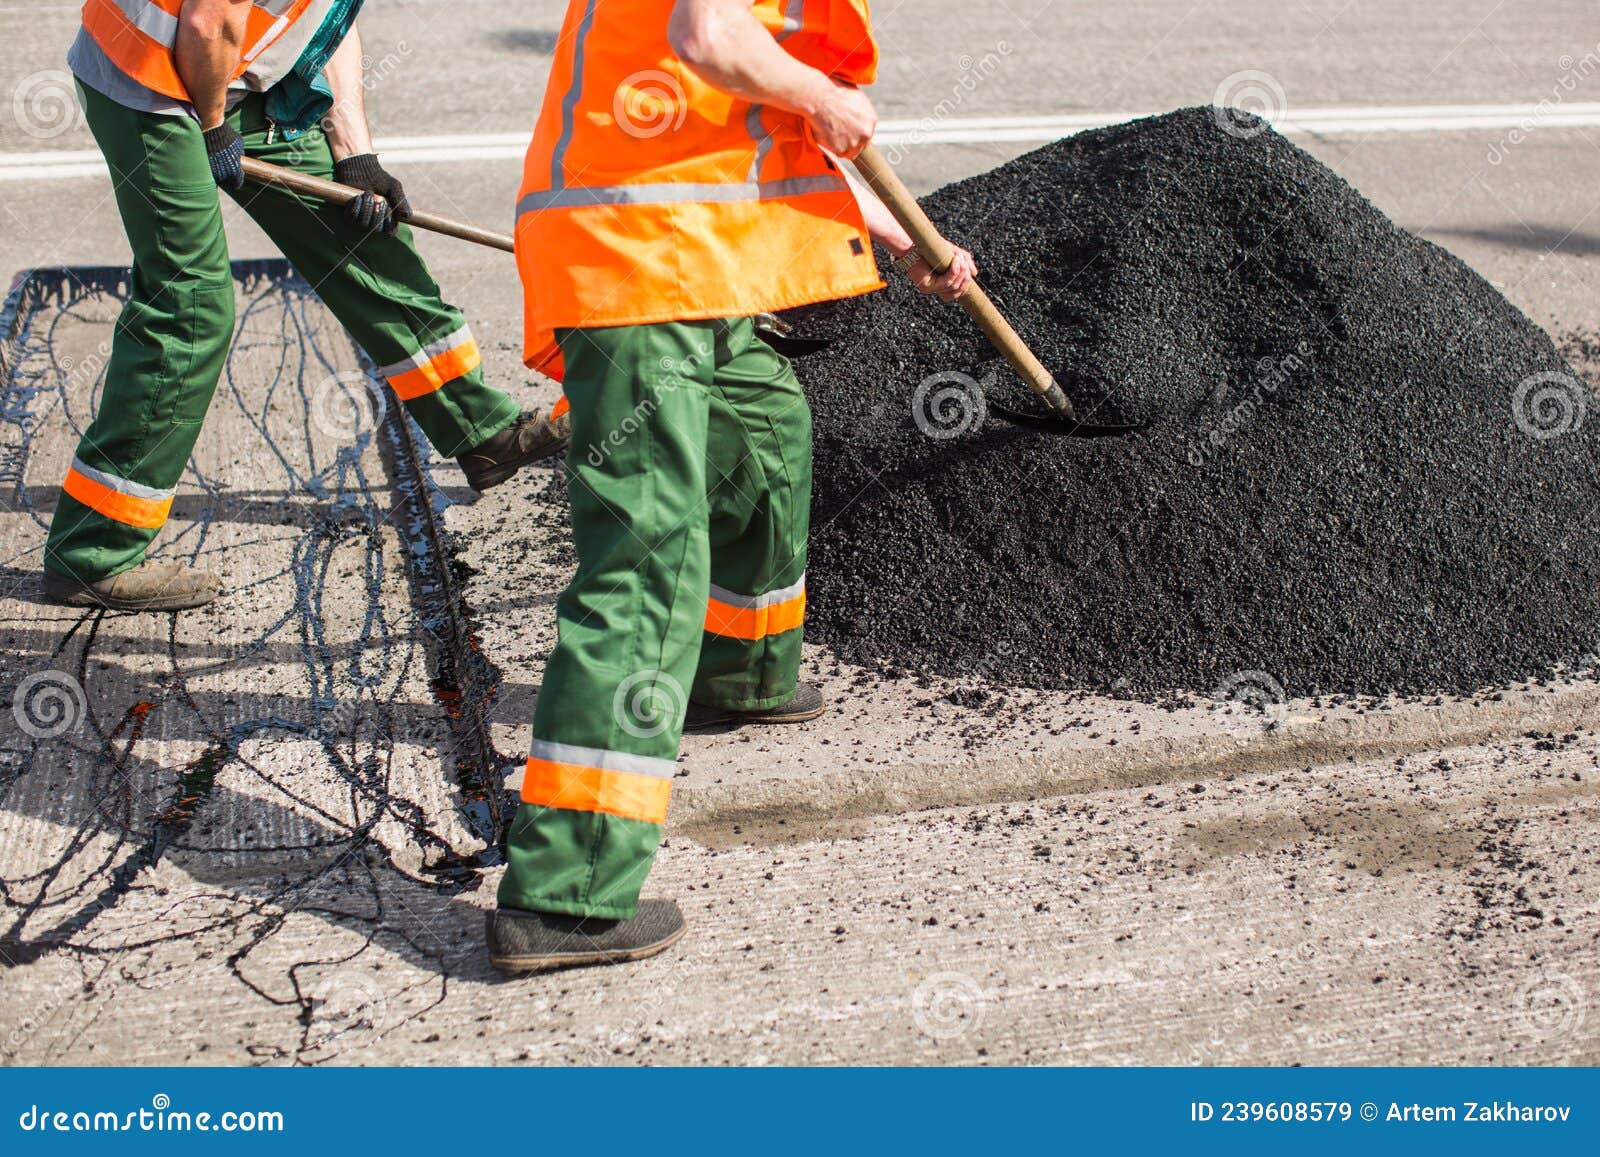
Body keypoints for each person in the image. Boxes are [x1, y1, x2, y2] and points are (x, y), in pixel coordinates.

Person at [487, 0, 975, 972]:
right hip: (637, 271)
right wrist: (821, 92)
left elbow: (774, 125)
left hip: (696, 269)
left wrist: (901, 235)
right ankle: (565, 894)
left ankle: (739, 673)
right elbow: (709, 39)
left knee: (766, 429)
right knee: (647, 566)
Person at [46, 0, 569, 612]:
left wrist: (356, 157)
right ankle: (94, 550)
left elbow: (332, 16)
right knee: (190, 305)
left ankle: (481, 431)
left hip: (238, 69)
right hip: (150, 78)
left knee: (361, 236)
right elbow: (207, 24)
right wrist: (214, 127)